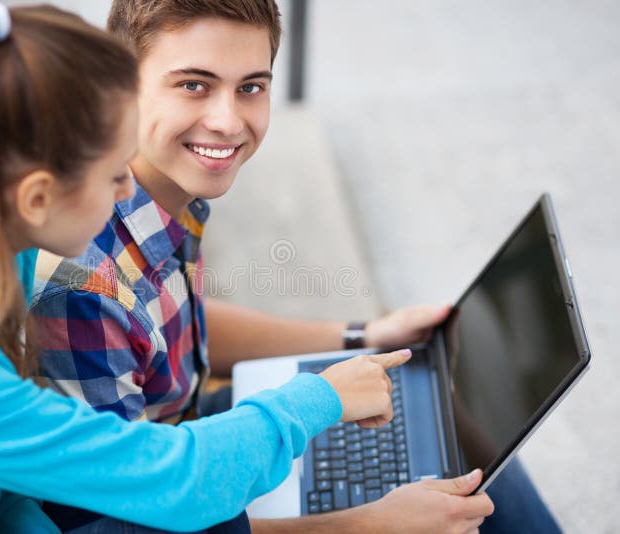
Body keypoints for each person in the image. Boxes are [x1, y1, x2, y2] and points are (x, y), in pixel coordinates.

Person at [0, 4, 418, 533]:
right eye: (113, 175)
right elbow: (169, 483)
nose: (129, 187)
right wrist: (321, 414)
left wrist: (355, 340)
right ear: (36, 197)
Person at [32, 1, 563, 533]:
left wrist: (362, 336)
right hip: (163, 498)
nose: (227, 120)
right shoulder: (83, 290)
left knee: (452, 438)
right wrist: (369, 526)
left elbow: (168, 323)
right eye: (194, 84)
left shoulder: (160, 199)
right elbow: (137, 515)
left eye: (251, 87)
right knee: (454, 495)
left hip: (186, 426)